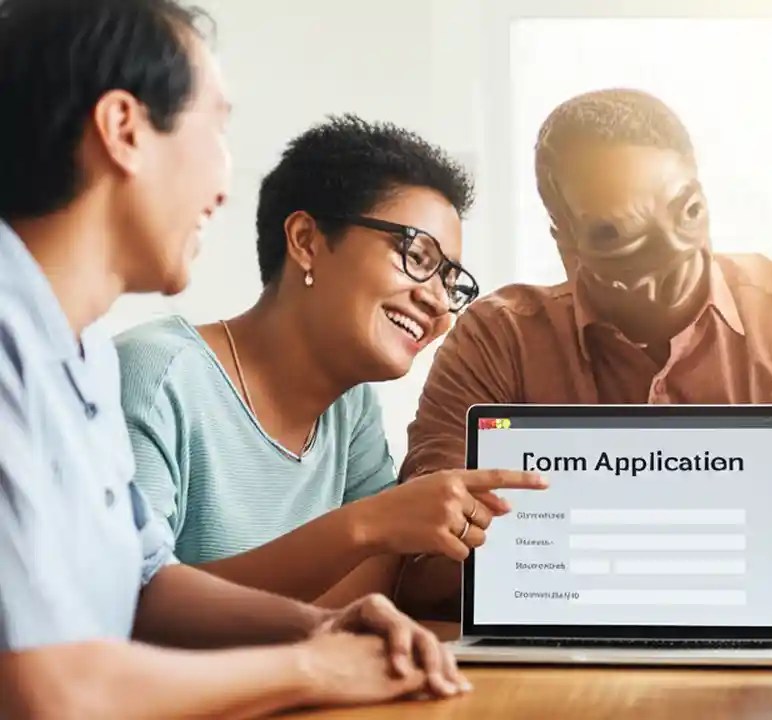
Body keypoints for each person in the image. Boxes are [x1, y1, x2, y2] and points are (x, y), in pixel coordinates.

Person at [0, 1, 466, 715]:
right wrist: (311, 668)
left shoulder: (81, 352)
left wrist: (318, 628)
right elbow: (46, 692)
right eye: (216, 128)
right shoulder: (34, 349)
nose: (224, 186)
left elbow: (145, 583)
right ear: (124, 129)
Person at [398, 88, 772, 617]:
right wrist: (742, 520)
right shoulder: (500, 339)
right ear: (565, 242)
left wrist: (578, 527)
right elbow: (424, 548)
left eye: (686, 210)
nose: (673, 252)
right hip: (564, 651)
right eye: (613, 233)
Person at [116, 115, 547, 608]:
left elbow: (351, 609)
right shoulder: (155, 376)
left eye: (451, 284)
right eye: (416, 256)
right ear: (306, 240)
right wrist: (369, 524)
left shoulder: (352, 410)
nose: (437, 303)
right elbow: (130, 605)